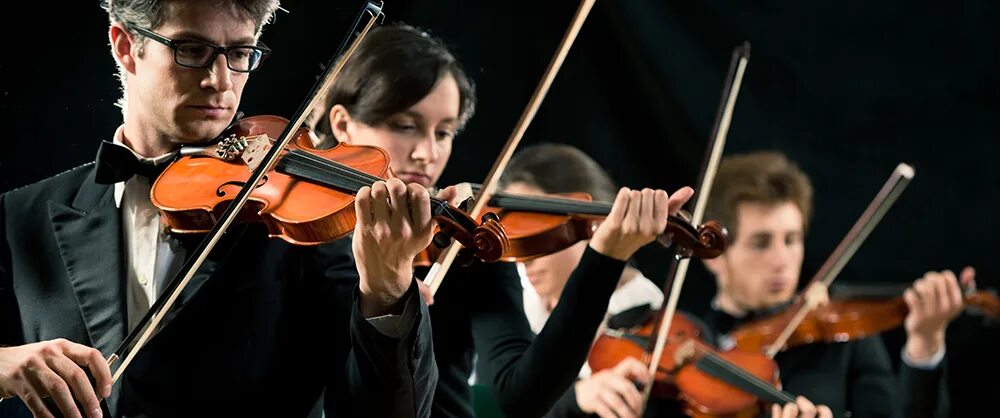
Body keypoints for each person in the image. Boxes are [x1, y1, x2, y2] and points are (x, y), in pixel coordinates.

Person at [0, 1, 437, 417]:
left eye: (240, 53)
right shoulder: (21, 215)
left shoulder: (296, 214)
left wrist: (386, 291)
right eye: (192, 50)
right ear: (126, 47)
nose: (221, 81)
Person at [308, 23, 695, 418]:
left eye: (444, 132)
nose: (427, 152)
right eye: (406, 126)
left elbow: (519, 396)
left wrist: (606, 258)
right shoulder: (285, 232)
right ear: (342, 123)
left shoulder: (466, 241)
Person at [501, 143, 832, 418]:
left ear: (594, 228)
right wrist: (575, 398)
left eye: (541, 234)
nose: (526, 253)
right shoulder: (508, 308)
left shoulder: (653, 323)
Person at [698, 150, 970, 418]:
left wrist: (925, 344)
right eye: (761, 243)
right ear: (713, 256)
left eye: (792, 239)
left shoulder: (844, 337)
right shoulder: (687, 348)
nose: (782, 260)